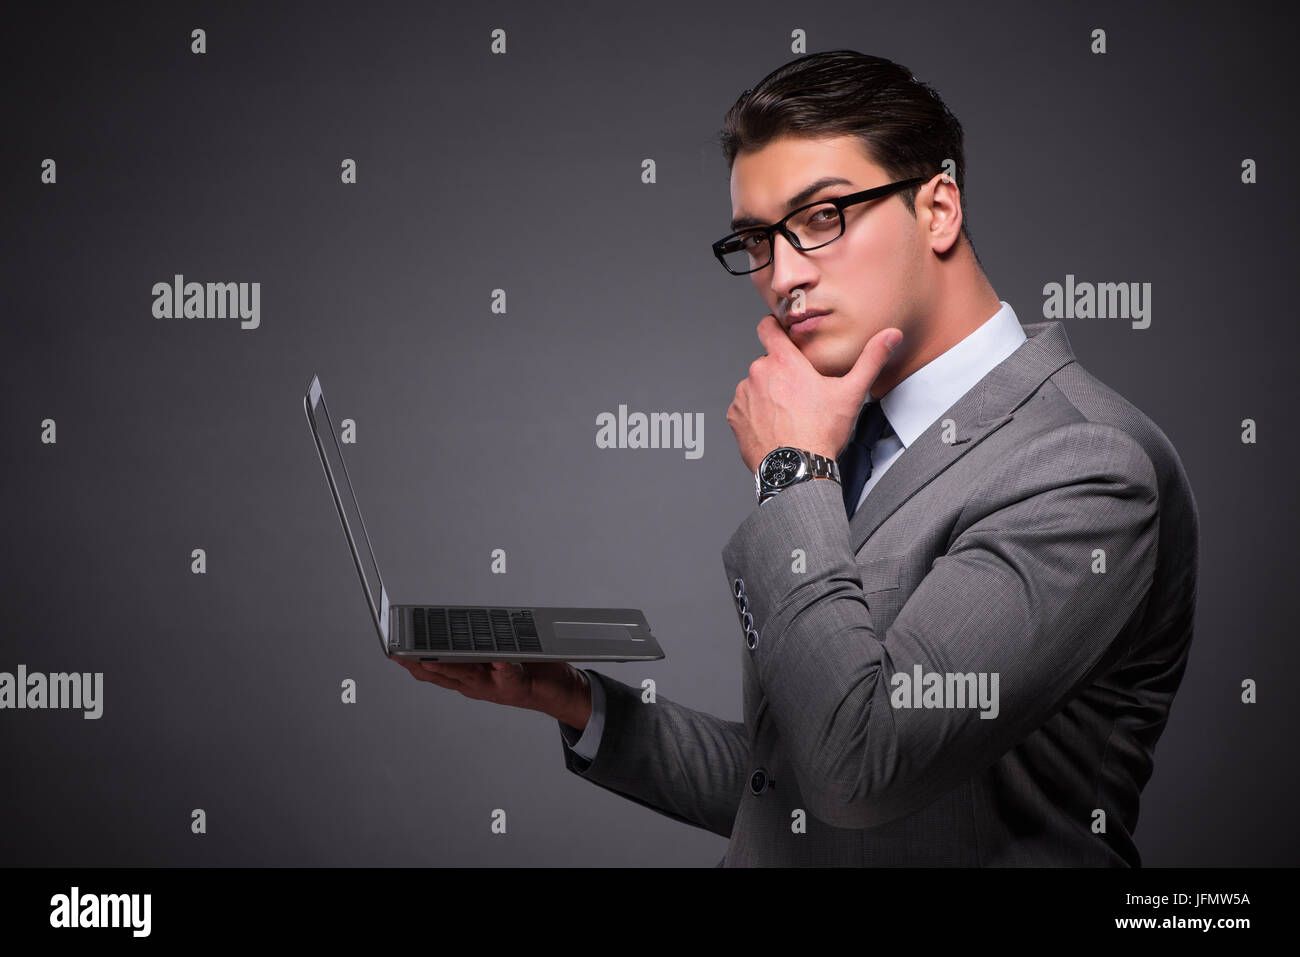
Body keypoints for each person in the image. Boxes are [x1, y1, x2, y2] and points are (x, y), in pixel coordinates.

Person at [394, 50, 1199, 866]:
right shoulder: (845, 434)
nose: (783, 275)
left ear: (940, 207)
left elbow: (860, 766)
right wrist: (574, 701)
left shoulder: (1086, 463)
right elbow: (793, 785)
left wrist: (788, 469)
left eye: (822, 217)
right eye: (756, 239)